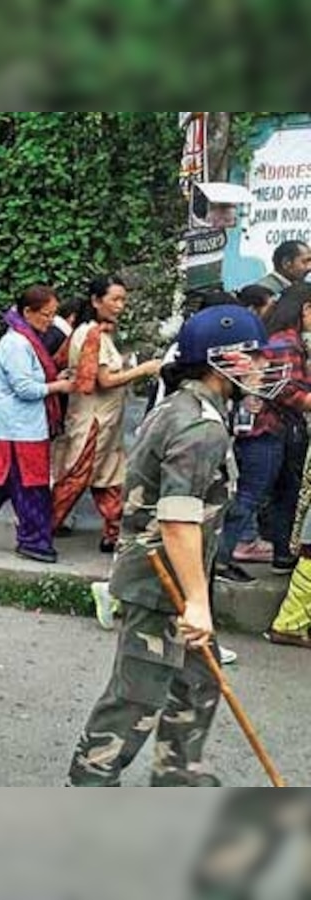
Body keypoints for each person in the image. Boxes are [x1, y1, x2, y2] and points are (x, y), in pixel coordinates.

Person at [67, 305, 284, 787]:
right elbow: (178, 520)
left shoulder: (189, 406)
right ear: (219, 360)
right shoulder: (198, 426)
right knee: (137, 695)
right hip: (159, 580)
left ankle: (177, 775)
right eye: (252, 355)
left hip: (176, 576)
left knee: (198, 681)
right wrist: (197, 604)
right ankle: (91, 783)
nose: (261, 365)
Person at [0, 285, 76, 564]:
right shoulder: (17, 344)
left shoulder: (22, 340)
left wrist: (55, 381)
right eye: (46, 315)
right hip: (19, 429)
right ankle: (34, 542)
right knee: (32, 488)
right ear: (27, 312)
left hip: (15, 427)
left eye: (53, 315)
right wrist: (59, 386)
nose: (50, 321)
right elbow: (25, 389)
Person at [52, 277, 164, 553]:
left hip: (106, 421)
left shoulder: (94, 332)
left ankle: (114, 533)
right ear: (95, 300)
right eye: (115, 299)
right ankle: (39, 529)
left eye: (123, 299)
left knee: (110, 477)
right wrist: (143, 369)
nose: (120, 306)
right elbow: (104, 380)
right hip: (94, 421)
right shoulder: (93, 334)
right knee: (77, 477)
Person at [216, 283, 311, 584]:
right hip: (265, 430)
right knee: (251, 494)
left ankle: (283, 555)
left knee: (284, 492)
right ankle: (220, 559)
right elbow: (286, 390)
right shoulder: (285, 342)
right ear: (306, 309)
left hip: (271, 429)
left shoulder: (281, 338)